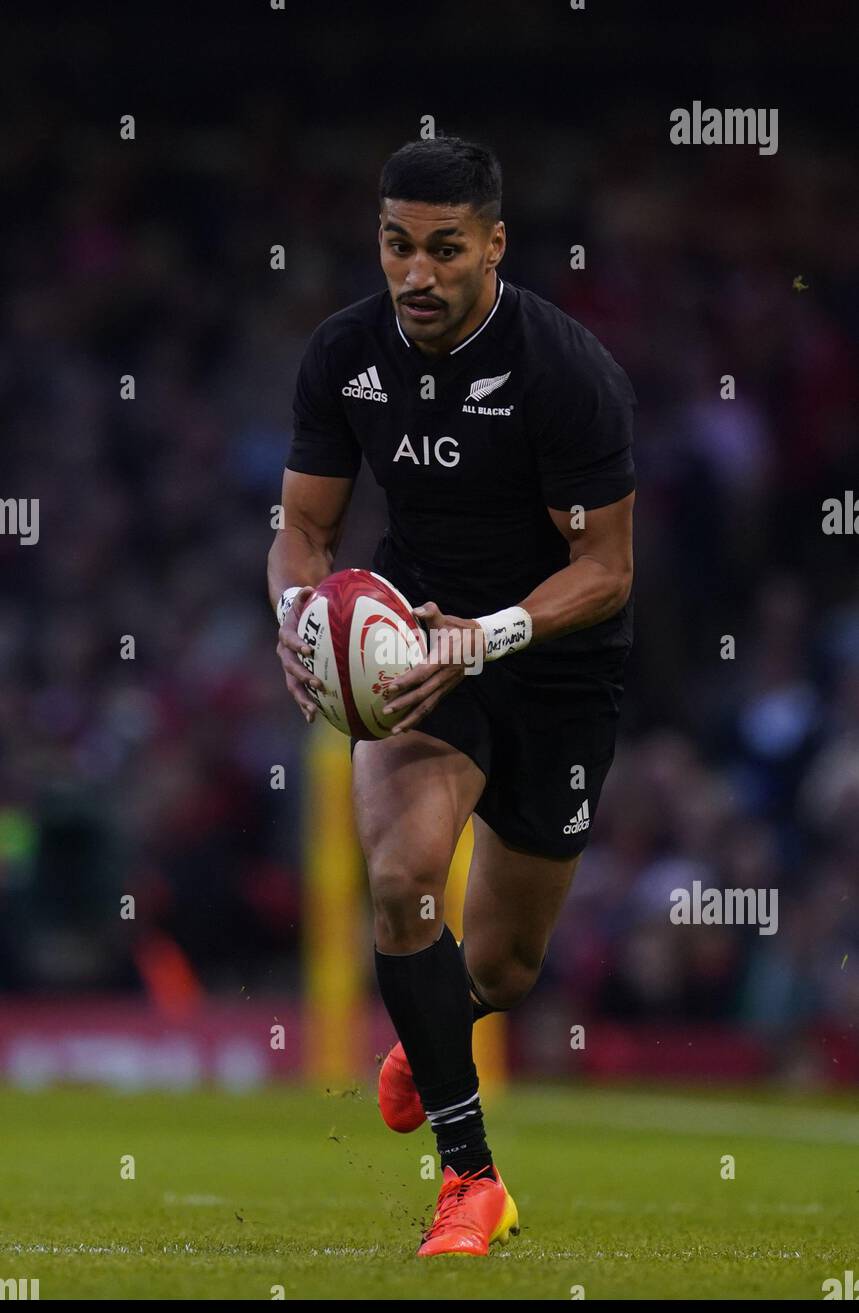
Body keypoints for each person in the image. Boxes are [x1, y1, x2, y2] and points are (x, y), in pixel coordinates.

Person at [268, 135, 636, 1256]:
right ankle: (471, 1179)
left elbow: (607, 568)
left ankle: (434, 1028)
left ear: (493, 247)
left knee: (505, 965)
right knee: (399, 884)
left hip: (555, 663)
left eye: (442, 248)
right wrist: (294, 615)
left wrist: (491, 635)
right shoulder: (344, 355)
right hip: (415, 649)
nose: (414, 273)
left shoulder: (565, 371)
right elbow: (303, 528)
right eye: (395, 245)